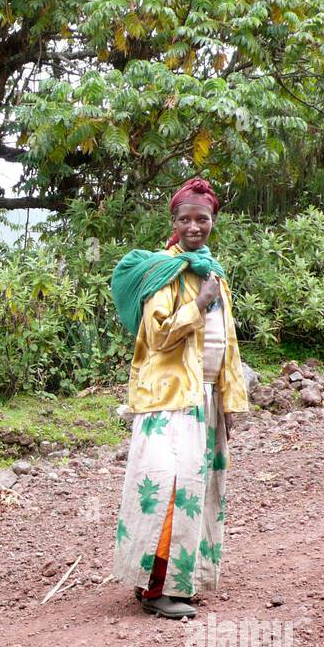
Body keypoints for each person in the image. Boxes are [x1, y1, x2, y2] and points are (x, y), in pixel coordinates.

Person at [110, 178, 249, 618]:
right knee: (167, 487)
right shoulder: (164, 272)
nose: (195, 226)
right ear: (174, 222)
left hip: (204, 400)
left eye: (202, 219)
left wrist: (229, 402)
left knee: (196, 490)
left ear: (213, 222)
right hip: (169, 400)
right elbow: (156, 335)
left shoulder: (213, 272)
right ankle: (154, 588)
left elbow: (228, 344)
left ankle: (175, 581)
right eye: (186, 219)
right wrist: (200, 304)